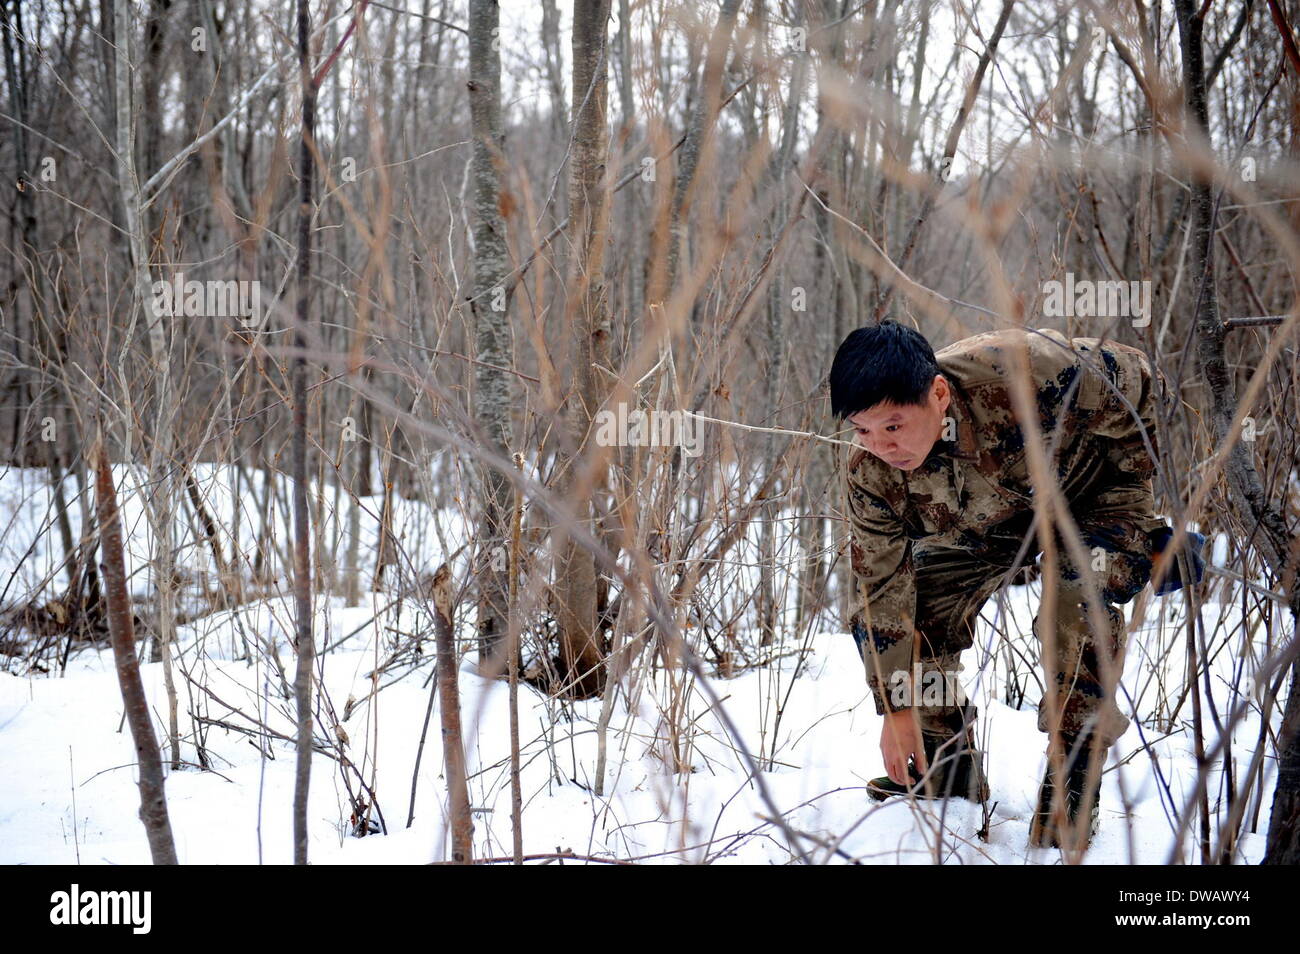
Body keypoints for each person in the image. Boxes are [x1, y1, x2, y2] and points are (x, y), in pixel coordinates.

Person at [830, 320, 1205, 850]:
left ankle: (1074, 776)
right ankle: (944, 764)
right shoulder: (871, 474)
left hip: (1090, 504)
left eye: (893, 426)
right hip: (991, 529)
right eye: (862, 430)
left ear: (938, 394)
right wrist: (897, 710)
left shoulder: (1026, 373)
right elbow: (881, 591)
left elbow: (1144, 385)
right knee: (923, 602)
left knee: (1074, 602)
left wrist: (1135, 501)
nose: (881, 446)